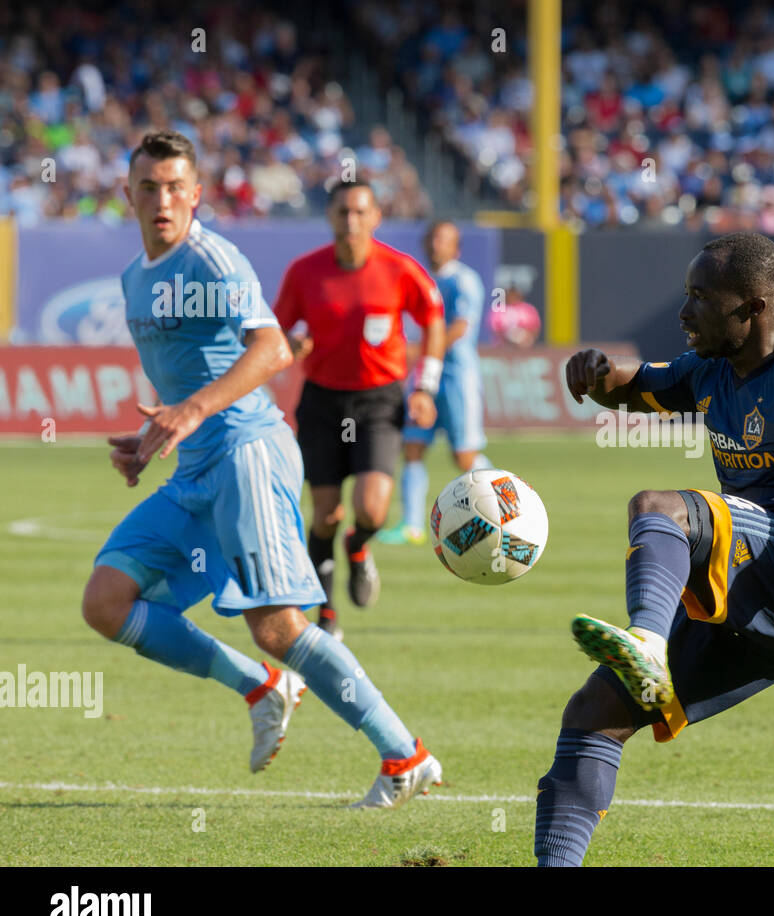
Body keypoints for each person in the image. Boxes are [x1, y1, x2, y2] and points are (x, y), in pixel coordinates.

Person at [80, 131, 440, 808]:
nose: (163, 199)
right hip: (196, 466)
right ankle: (261, 686)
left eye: (175, 186)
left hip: (247, 451)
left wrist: (190, 411)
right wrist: (149, 437)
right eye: (149, 186)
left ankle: (405, 755)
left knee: (279, 625)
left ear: (196, 194)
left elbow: (273, 347)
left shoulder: (213, 259)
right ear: (127, 194)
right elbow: (188, 373)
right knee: (105, 602)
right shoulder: (136, 277)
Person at [535, 232, 774, 866]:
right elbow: (636, 386)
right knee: (594, 713)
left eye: (700, 298)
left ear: (754, 308)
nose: (684, 314)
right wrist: (597, 372)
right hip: (748, 597)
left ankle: (646, 641)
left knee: (660, 507)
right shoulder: (710, 369)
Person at [272, 179, 446, 638]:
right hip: (323, 401)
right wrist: (290, 344)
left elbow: (433, 320)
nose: (350, 220)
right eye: (342, 212)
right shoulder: (305, 272)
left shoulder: (399, 269)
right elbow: (275, 332)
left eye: (359, 212)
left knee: (371, 511)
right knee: (325, 514)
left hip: (378, 401)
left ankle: (358, 546)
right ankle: (326, 615)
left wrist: (424, 387)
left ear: (375, 217)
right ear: (330, 217)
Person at [378, 221, 492, 546]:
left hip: (457, 377)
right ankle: (411, 525)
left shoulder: (464, 280)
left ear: (455, 248)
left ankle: (499, 504)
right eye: (431, 239)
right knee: (412, 447)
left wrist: (423, 349)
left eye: (442, 240)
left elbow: (459, 328)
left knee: (464, 455)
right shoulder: (420, 279)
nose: (435, 245)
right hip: (424, 378)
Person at [489, 284, 542, 348]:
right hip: (502, 347)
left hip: (525, 347)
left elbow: (535, 328)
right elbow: (495, 328)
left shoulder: (528, 309)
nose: (512, 297)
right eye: (510, 294)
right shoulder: (498, 310)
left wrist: (524, 336)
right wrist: (509, 336)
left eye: (514, 294)